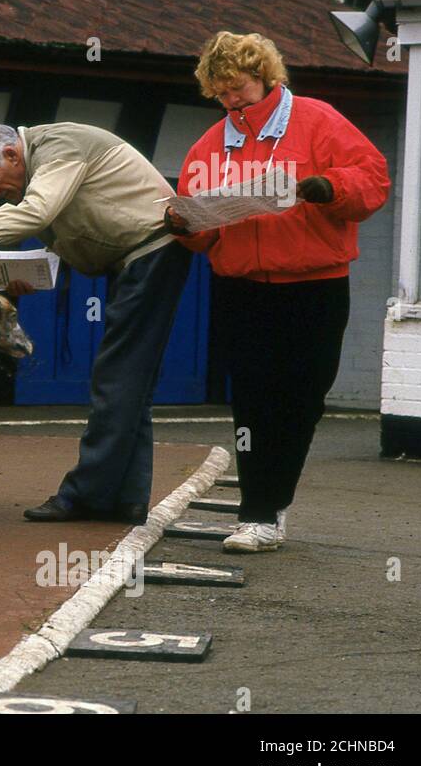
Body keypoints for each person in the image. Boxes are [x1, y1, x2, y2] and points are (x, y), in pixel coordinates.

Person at [167, 31, 390, 553]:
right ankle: (259, 515)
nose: (231, 101)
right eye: (220, 93)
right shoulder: (209, 144)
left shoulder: (318, 119)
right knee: (252, 402)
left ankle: (272, 505)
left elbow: (373, 179)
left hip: (315, 287)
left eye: (238, 88)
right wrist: (183, 223)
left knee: (301, 400)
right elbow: (203, 235)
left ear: (266, 76)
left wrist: (328, 188)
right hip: (242, 290)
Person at [0, 122, 191, 524]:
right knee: (130, 381)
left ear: (13, 155)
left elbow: (38, 211)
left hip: (150, 254)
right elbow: (71, 229)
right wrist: (35, 275)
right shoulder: (41, 166)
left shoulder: (60, 145)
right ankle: (128, 497)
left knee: (116, 377)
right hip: (143, 258)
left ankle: (85, 495)